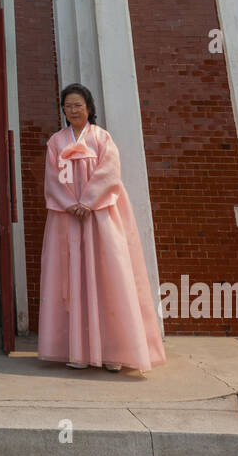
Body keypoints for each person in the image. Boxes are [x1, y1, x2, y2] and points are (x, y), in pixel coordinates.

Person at [38, 83, 165, 373]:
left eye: (78, 105)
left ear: (89, 108)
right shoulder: (56, 142)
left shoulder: (102, 139)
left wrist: (89, 201)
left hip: (101, 217)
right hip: (68, 217)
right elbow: (53, 178)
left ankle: (114, 352)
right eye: (68, 106)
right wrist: (71, 204)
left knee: (109, 278)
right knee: (72, 279)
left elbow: (110, 174)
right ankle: (78, 351)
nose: (73, 110)